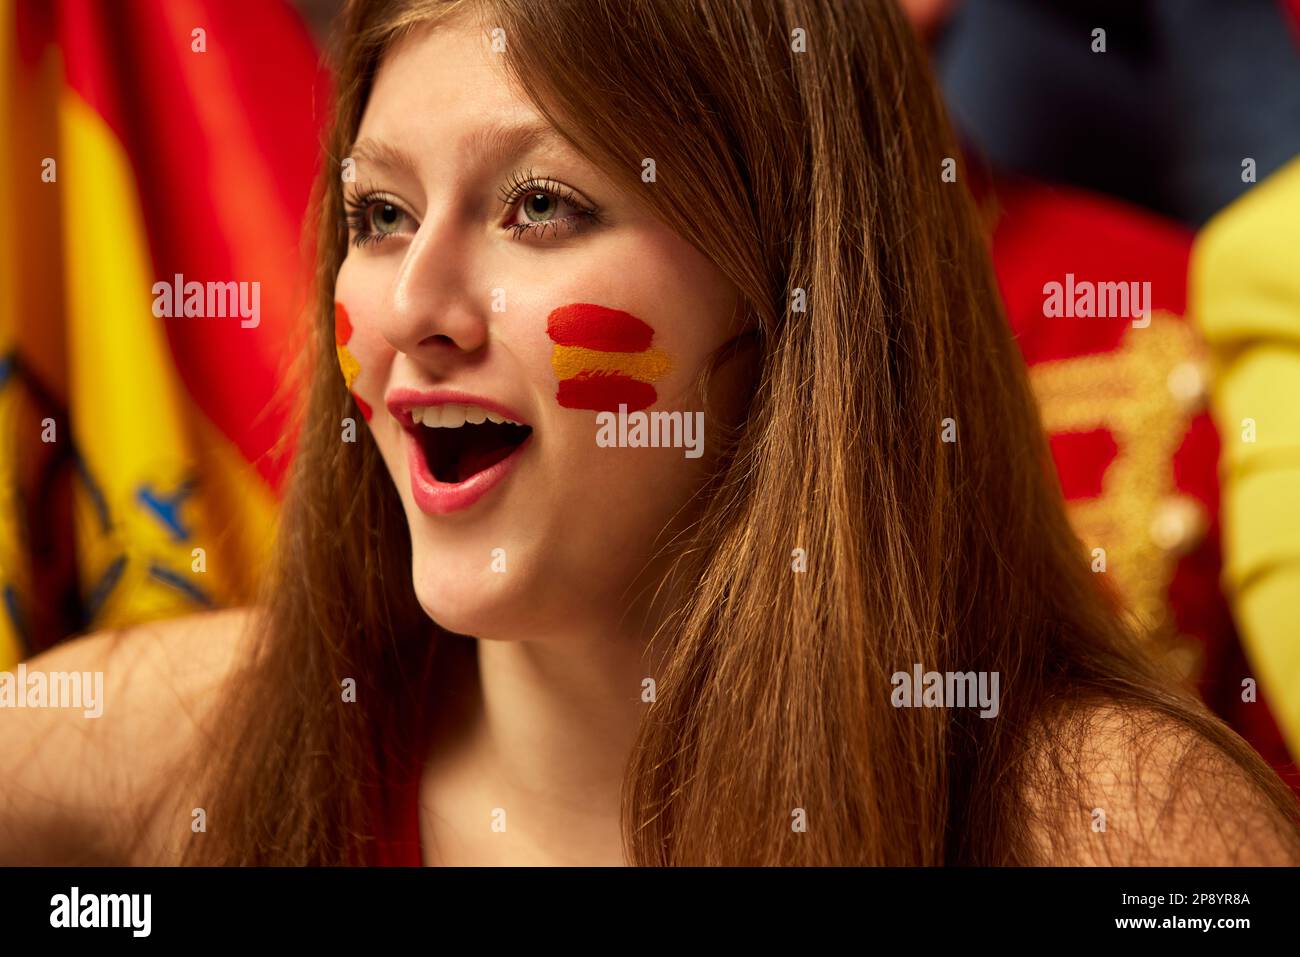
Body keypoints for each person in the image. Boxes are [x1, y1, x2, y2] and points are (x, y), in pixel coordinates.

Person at [3, 0, 1298, 867]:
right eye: (380, 215)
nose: (412, 309)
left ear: (787, 295)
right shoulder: (133, 737)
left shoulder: (1123, 830)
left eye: (543, 206)